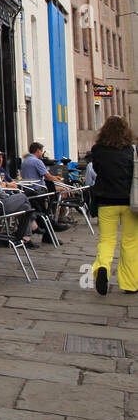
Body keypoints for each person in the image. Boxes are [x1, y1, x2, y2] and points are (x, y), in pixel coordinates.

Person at [86, 116, 138, 296]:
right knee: (130, 243)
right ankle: (130, 284)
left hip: (106, 201)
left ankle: (102, 267)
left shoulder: (98, 149)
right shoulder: (132, 150)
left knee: (107, 240)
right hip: (130, 202)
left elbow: (97, 170)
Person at [0, 155, 40, 246]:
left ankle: (26, 238)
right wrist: (10, 197)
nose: (0, 159)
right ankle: (34, 225)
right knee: (23, 196)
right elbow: (0, 193)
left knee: (25, 207)